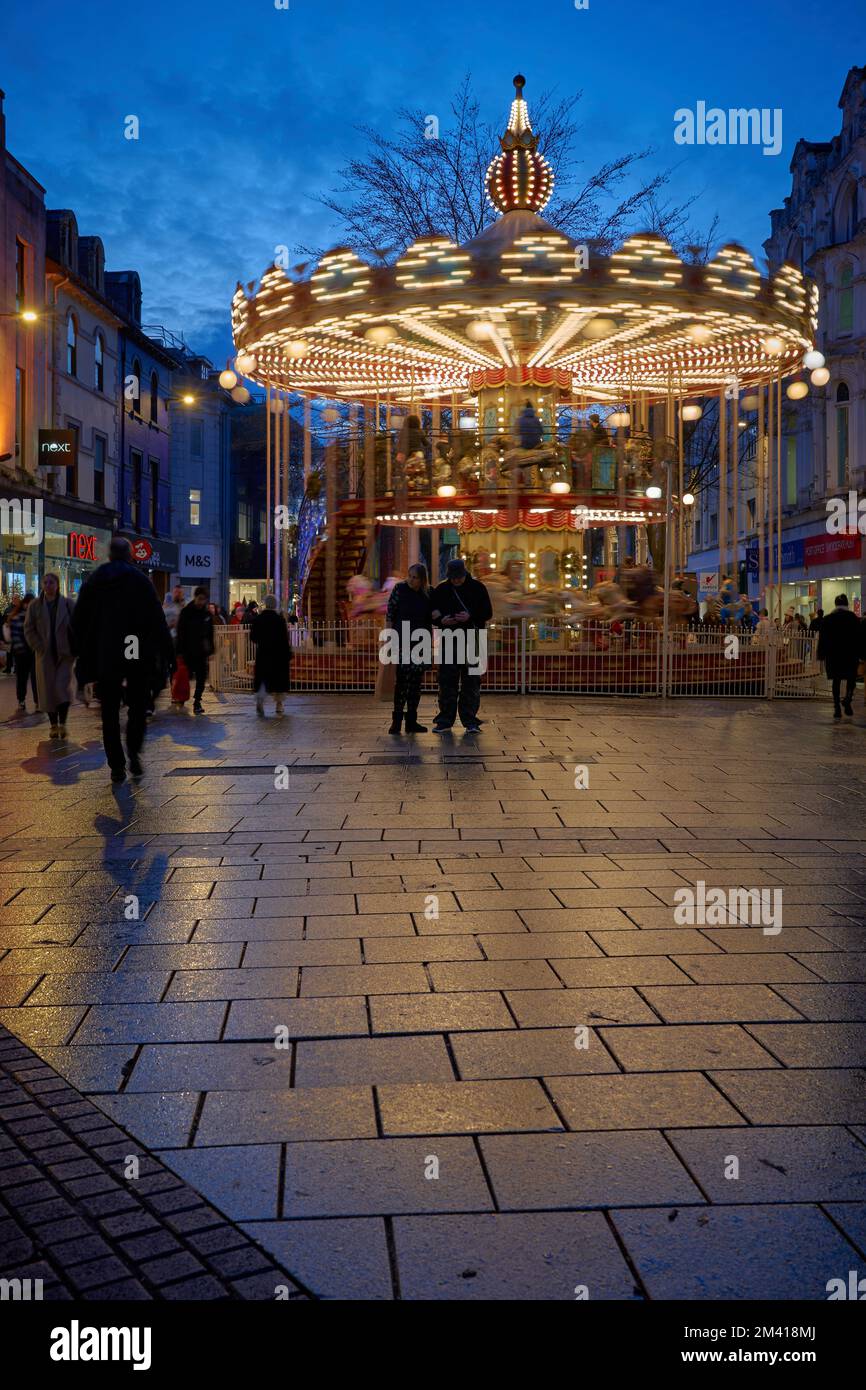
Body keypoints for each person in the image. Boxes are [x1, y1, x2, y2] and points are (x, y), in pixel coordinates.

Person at [72, 536, 174, 781]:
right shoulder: (140, 580)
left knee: (109, 710)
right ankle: (134, 752)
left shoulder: (95, 580)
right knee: (138, 705)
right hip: (133, 646)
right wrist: (168, 653)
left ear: (109, 555)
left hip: (106, 651)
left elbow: (79, 621)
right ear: (130, 555)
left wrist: (82, 655)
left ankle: (116, 764)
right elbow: (157, 619)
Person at [431, 558, 492, 734]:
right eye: (453, 578)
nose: (456, 580)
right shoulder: (442, 589)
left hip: (472, 638)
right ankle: (445, 720)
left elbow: (487, 612)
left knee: (471, 682)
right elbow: (432, 611)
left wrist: (470, 616)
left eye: (459, 577)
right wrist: (441, 620)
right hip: (449, 638)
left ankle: (470, 719)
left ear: (465, 573)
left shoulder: (478, 588)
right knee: (446, 681)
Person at [24, 574, 76, 738]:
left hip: (64, 655)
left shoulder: (68, 604)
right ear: (42, 585)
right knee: (48, 692)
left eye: (51, 582)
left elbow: (78, 625)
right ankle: (53, 725)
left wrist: (74, 646)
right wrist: (38, 646)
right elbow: (28, 628)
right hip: (44, 656)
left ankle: (63, 724)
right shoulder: (35, 606)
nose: (48, 585)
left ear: (57, 585)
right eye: (45, 582)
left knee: (61, 689)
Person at [385, 563, 433, 734]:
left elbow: (433, 613)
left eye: (415, 577)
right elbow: (390, 613)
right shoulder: (400, 589)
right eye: (410, 576)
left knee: (415, 683)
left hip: (421, 640)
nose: (411, 580)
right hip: (403, 639)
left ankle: (411, 721)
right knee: (402, 681)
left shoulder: (428, 593)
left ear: (422, 579)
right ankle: (396, 721)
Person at [817, 593, 861, 719]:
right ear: (847, 604)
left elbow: (823, 638)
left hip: (834, 655)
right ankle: (847, 699)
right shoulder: (853, 618)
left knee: (836, 681)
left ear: (835, 604)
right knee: (851, 679)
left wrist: (821, 654)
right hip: (850, 655)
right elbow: (859, 638)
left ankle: (837, 707)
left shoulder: (828, 619)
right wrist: (861, 653)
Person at [250, 594, 291, 717]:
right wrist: (288, 653)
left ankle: (260, 699)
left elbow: (253, 637)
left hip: (263, 653)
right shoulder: (279, 620)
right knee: (279, 681)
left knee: (263, 679)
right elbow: (284, 639)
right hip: (278, 654)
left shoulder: (258, 619)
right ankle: (279, 704)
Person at [176, 587, 214, 714]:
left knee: (201, 678)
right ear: (195, 597)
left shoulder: (207, 614)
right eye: (200, 599)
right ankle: (181, 698)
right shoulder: (187, 612)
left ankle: (197, 701)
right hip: (188, 651)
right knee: (185, 676)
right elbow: (180, 632)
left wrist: (211, 649)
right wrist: (179, 650)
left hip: (201, 652)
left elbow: (210, 633)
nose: (201, 602)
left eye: (204, 599)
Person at [4, 595, 38, 712]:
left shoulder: (17, 616)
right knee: (33, 678)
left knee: (23, 679)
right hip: (29, 652)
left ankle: (22, 701)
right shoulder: (28, 617)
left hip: (21, 652)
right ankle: (35, 701)